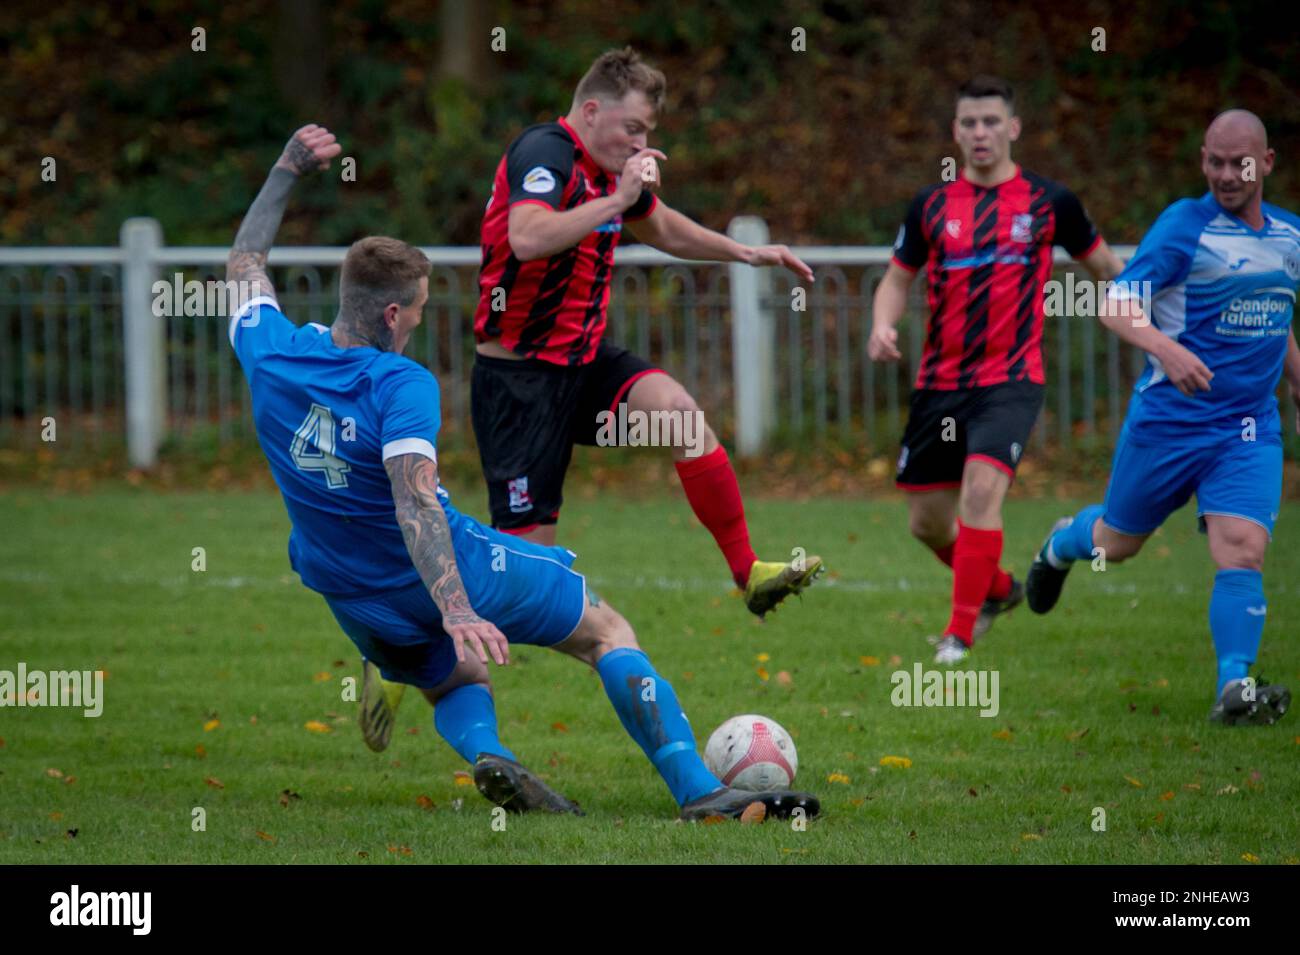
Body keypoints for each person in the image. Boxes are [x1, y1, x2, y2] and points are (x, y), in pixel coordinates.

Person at [226, 123, 821, 820]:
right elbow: (415, 503)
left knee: (454, 680)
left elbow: (244, 260)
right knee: (606, 631)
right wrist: (455, 606)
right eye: (416, 311)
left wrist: (286, 168)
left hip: (346, 593)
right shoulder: (399, 384)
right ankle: (701, 791)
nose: (417, 324)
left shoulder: (268, 351)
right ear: (393, 313)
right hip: (446, 570)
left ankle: (487, 752)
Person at [472, 46, 823, 619]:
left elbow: (660, 226)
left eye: (647, 132)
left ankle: (748, 573)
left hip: (583, 367)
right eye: (631, 128)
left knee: (679, 413)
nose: (640, 144)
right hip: (520, 382)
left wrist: (746, 253)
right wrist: (616, 199)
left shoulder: (608, 173)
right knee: (524, 579)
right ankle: (416, 641)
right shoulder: (545, 152)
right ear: (590, 111)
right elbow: (528, 237)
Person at [1026, 109, 1298, 725]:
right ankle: (1061, 544)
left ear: (1267, 162)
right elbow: (1114, 304)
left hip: (1247, 427)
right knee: (1117, 543)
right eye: (1215, 162)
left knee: (1243, 549)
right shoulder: (1184, 226)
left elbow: (1275, 315)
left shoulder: (1290, 236)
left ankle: (1235, 689)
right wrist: (1167, 348)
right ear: (1203, 160)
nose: (1227, 175)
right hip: (1169, 424)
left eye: (1241, 163)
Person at [868, 75, 1125, 665]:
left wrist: (1149, 311)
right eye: (969, 123)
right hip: (939, 384)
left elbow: (1106, 266)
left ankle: (958, 634)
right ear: (955, 133)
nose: (980, 133)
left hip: (1009, 381)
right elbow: (896, 279)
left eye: (991, 121)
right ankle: (1001, 589)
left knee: (981, 494)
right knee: (927, 523)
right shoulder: (931, 205)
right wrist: (881, 325)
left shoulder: (1049, 202)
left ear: (1013, 128)